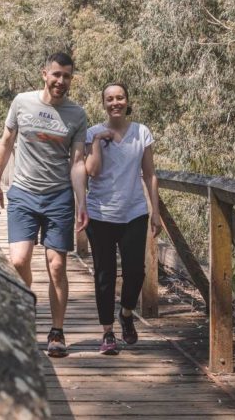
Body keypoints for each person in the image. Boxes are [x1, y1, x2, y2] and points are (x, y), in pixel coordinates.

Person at [0, 52, 89, 358]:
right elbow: (6, 143)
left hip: (58, 196)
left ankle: (57, 331)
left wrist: (81, 201)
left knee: (57, 265)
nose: (61, 81)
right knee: (19, 261)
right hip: (22, 192)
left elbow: (76, 162)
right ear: (44, 73)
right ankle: (24, 313)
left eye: (67, 76)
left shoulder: (77, 114)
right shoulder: (22, 102)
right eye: (57, 74)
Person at [82, 82, 161, 355]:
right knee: (104, 274)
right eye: (110, 99)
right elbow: (91, 172)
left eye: (120, 98)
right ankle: (107, 333)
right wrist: (96, 143)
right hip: (100, 214)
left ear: (127, 101)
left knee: (136, 272)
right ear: (103, 103)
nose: (115, 102)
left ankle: (126, 314)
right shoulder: (93, 132)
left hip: (134, 213)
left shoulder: (142, 132)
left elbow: (150, 174)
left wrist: (156, 213)